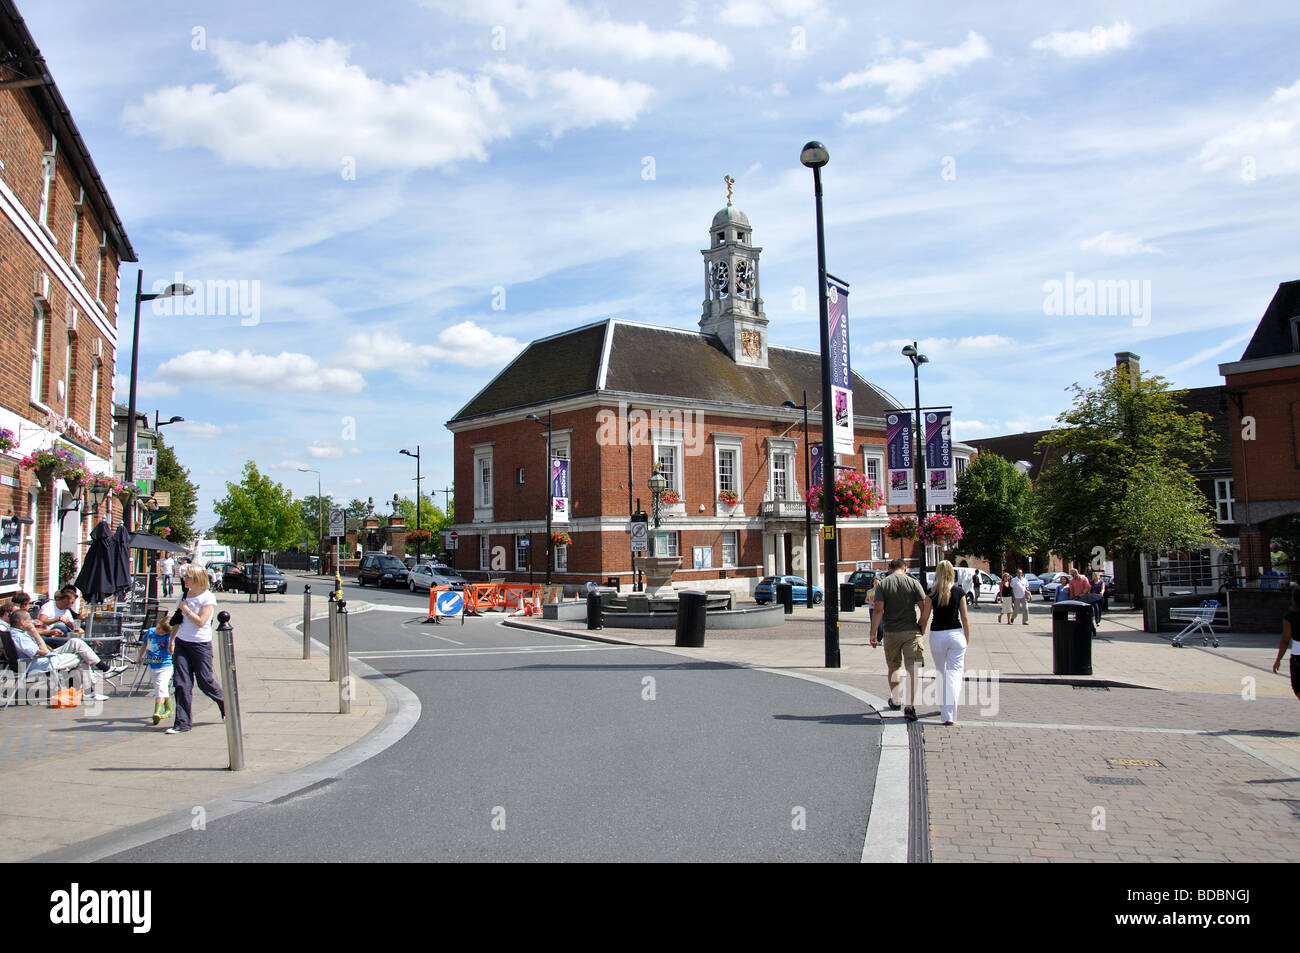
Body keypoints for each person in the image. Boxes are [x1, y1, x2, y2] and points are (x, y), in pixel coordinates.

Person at [5, 608, 127, 701]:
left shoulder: (13, 632)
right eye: (29, 620)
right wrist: (34, 632)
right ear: (22, 622)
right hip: (38, 663)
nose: (31, 622)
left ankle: (103, 671)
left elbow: (42, 650)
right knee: (80, 657)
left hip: (40, 658)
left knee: (76, 642)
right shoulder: (20, 637)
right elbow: (43, 652)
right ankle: (91, 690)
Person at [869, 557, 930, 722]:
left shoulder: (883, 584)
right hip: (911, 630)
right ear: (905, 568)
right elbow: (924, 607)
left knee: (893, 666)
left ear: (890, 568)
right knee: (913, 669)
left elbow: (878, 609)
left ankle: (896, 699)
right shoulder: (913, 583)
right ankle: (910, 706)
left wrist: (873, 633)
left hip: (891, 632)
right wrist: (922, 626)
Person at [168, 564, 225, 734]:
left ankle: (225, 705)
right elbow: (177, 621)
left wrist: (186, 608)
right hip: (182, 643)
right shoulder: (183, 596)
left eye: (187, 577)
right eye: (184, 577)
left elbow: (201, 622)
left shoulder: (208, 598)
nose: (184, 579)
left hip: (200, 645)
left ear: (197, 579)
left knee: (205, 681)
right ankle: (182, 722)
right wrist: (171, 640)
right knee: (181, 683)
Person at [927, 561, 971, 726]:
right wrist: (967, 638)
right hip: (955, 634)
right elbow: (965, 618)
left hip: (937, 634)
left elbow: (924, 617)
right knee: (954, 674)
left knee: (941, 672)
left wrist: (920, 630)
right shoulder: (959, 592)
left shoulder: (932, 593)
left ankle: (943, 705)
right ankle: (949, 714)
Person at [141, 616, 176, 725]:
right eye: (158, 628)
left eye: (162, 632)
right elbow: (144, 644)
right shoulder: (151, 632)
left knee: (160, 688)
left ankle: (157, 712)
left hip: (165, 665)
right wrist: (140, 657)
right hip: (153, 664)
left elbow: (172, 649)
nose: (159, 632)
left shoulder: (168, 637)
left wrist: (172, 646)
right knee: (160, 687)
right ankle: (169, 708)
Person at [1272, 586, 1300, 700]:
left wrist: (1278, 659)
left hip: (1298, 656)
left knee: (1298, 687)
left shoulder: (1290, 616)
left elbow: (1285, 640)